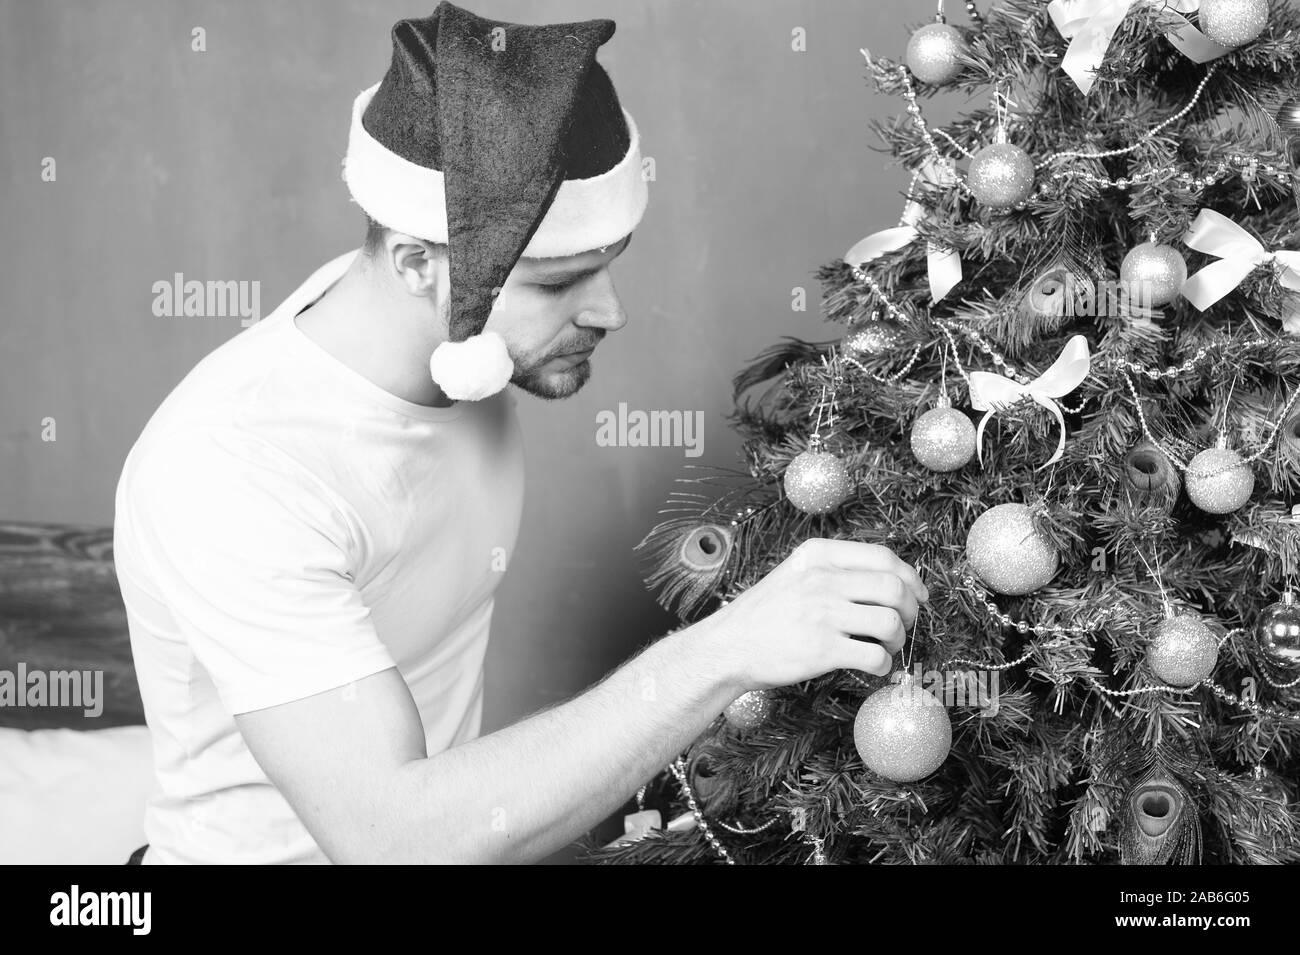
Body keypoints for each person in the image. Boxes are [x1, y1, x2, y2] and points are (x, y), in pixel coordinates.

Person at [113, 1, 928, 864]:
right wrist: (726, 650)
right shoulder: (233, 467)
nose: (608, 311)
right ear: (416, 264)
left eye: (606, 267)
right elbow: (391, 838)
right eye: (558, 282)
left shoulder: (450, 338)